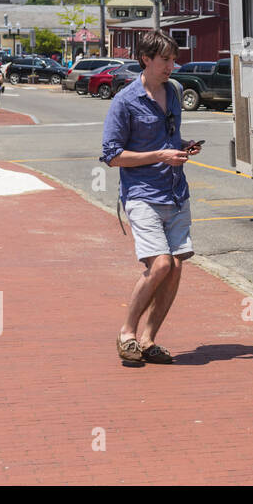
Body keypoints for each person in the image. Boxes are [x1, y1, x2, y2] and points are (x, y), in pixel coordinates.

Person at [99, 30, 201, 365]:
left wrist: (183, 147)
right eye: (165, 60)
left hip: (175, 192)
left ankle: (148, 340)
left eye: (174, 59)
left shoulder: (172, 93)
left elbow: (168, 138)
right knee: (160, 264)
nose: (172, 65)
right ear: (146, 59)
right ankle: (127, 332)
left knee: (175, 268)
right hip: (142, 194)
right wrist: (160, 155)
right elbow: (112, 156)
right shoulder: (125, 101)